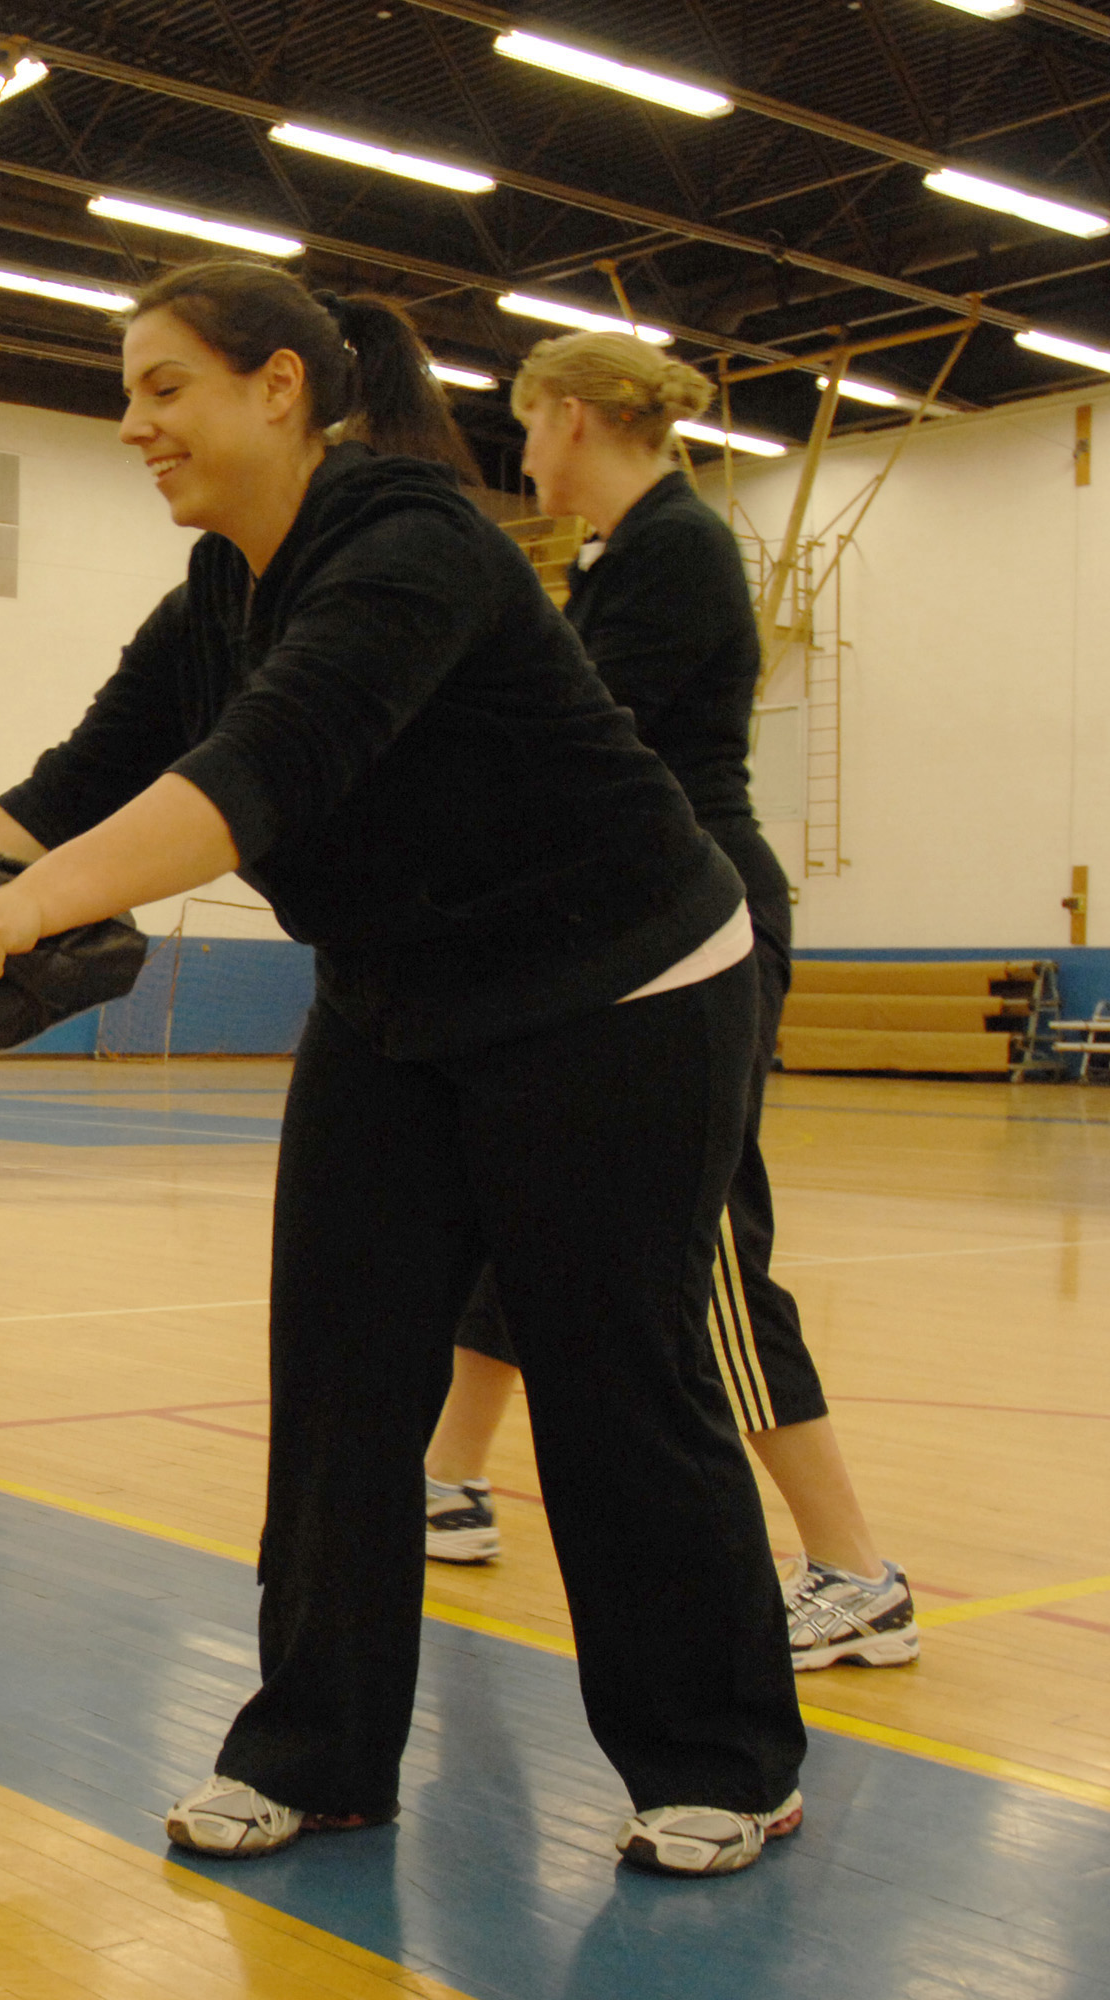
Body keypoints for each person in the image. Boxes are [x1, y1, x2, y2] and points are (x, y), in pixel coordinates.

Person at [0, 262, 805, 1878]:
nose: (134, 423)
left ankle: (723, 1758)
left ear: (279, 389)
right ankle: (319, 1757)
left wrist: (29, 906)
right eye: (127, 391)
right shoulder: (214, 593)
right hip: (405, 998)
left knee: (618, 1382)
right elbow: (76, 779)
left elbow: (261, 773)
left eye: (163, 386)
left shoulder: (414, 545)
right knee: (339, 1384)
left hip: (619, 984)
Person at [420, 331, 917, 1676]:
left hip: (701, 924)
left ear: (574, 418)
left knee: (703, 1245)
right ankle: (450, 1482)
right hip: (621, 920)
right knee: (524, 1195)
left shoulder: (679, 551)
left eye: (528, 424)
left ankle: (852, 1571)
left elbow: (579, 744)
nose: (523, 454)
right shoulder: (615, 559)